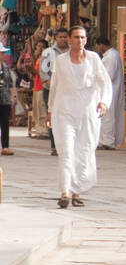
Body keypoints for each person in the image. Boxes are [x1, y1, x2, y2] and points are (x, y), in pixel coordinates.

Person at [46, 26, 112, 208]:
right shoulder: (60, 61)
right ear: (69, 39)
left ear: (86, 39)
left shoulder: (93, 59)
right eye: (76, 37)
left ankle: (76, 192)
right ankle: (64, 192)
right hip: (65, 112)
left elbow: (104, 83)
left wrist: (104, 101)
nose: (79, 41)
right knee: (66, 151)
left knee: (84, 152)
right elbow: (55, 86)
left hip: (88, 113)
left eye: (82, 37)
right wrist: (50, 110)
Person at [95, 35, 126, 150]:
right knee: (109, 116)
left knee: (108, 117)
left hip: (109, 91)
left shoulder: (111, 57)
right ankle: (107, 140)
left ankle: (107, 141)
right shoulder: (112, 55)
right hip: (112, 90)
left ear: (101, 45)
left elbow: (107, 76)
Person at [40, 28, 69, 154]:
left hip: (68, 91)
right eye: (60, 37)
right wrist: (49, 82)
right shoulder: (48, 52)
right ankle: (55, 145)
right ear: (56, 38)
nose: (63, 39)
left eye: (65, 37)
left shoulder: (72, 52)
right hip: (51, 90)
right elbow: (43, 71)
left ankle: (66, 144)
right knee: (53, 115)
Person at [0, 59, 15, 155]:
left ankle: (5, 147)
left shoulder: (6, 67)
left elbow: (10, 84)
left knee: (5, 123)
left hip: (5, 99)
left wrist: (13, 97)